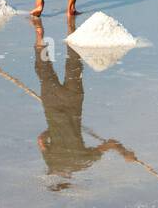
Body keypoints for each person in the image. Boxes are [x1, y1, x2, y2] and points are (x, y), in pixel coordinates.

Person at [32, 17, 136, 191]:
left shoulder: (81, 164)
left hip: (73, 101)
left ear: (68, 177)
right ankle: (39, 35)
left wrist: (125, 153)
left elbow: (110, 143)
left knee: (73, 65)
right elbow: (41, 140)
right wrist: (55, 127)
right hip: (51, 102)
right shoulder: (51, 161)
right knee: (44, 70)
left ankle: (70, 32)